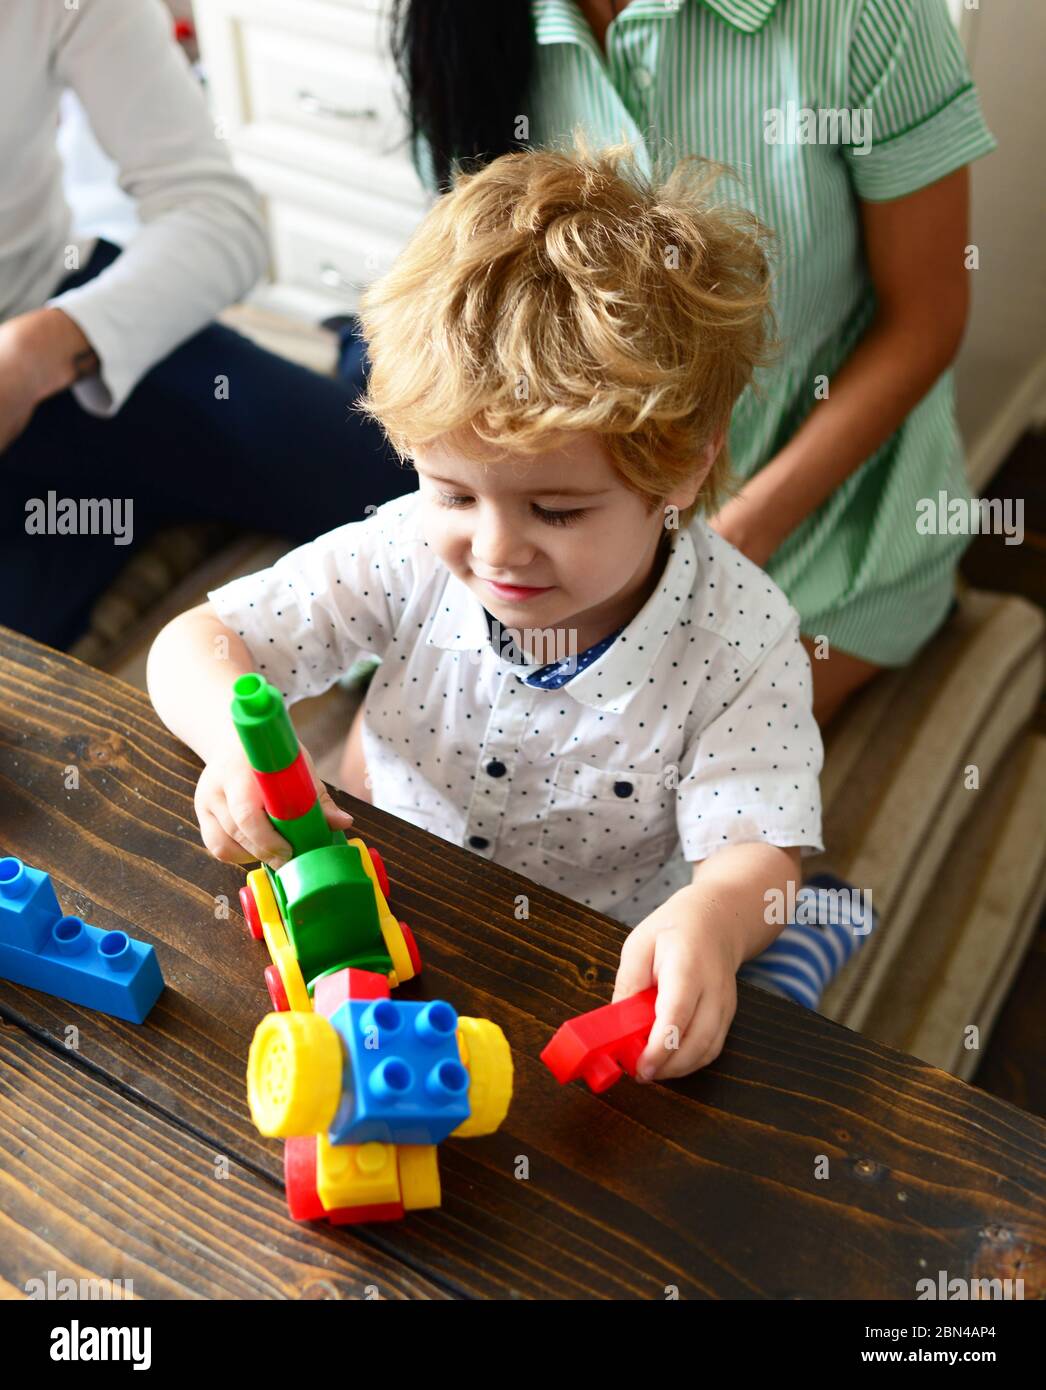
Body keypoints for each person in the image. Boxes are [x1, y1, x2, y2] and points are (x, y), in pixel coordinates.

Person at [148, 140, 835, 1081]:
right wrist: (234, 745)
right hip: (388, 887)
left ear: (681, 464)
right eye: (454, 494)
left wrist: (713, 918)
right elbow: (196, 641)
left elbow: (759, 856)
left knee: (737, 1027)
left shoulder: (743, 642)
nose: (497, 548)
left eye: (556, 510)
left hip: (589, 947)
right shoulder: (402, 548)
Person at [380, 0, 997, 725]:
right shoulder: (460, 26)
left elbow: (926, 317)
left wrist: (735, 541)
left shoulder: (865, 17)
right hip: (567, 511)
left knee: (631, 778)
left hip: (817, 531)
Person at [1, 0, 410, 650]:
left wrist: (32, 355)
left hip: (63, 322)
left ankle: (359, 344)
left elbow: (219, 217)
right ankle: (119, 511)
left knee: (400, 489)